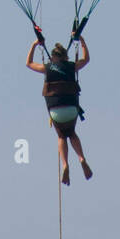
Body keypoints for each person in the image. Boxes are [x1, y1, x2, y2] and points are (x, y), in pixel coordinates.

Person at [26, 36, 92, 185]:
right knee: (72, 133)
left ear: (53, 57)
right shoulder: (71, 66)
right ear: (65, 56)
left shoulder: (46, 68)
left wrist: (35, 44)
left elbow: (28, 63)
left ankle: (65, 165)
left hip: (56, 110)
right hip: (71, 109)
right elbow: (86, 59)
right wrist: (81, 40)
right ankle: (81, 158)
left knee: (62, 136)